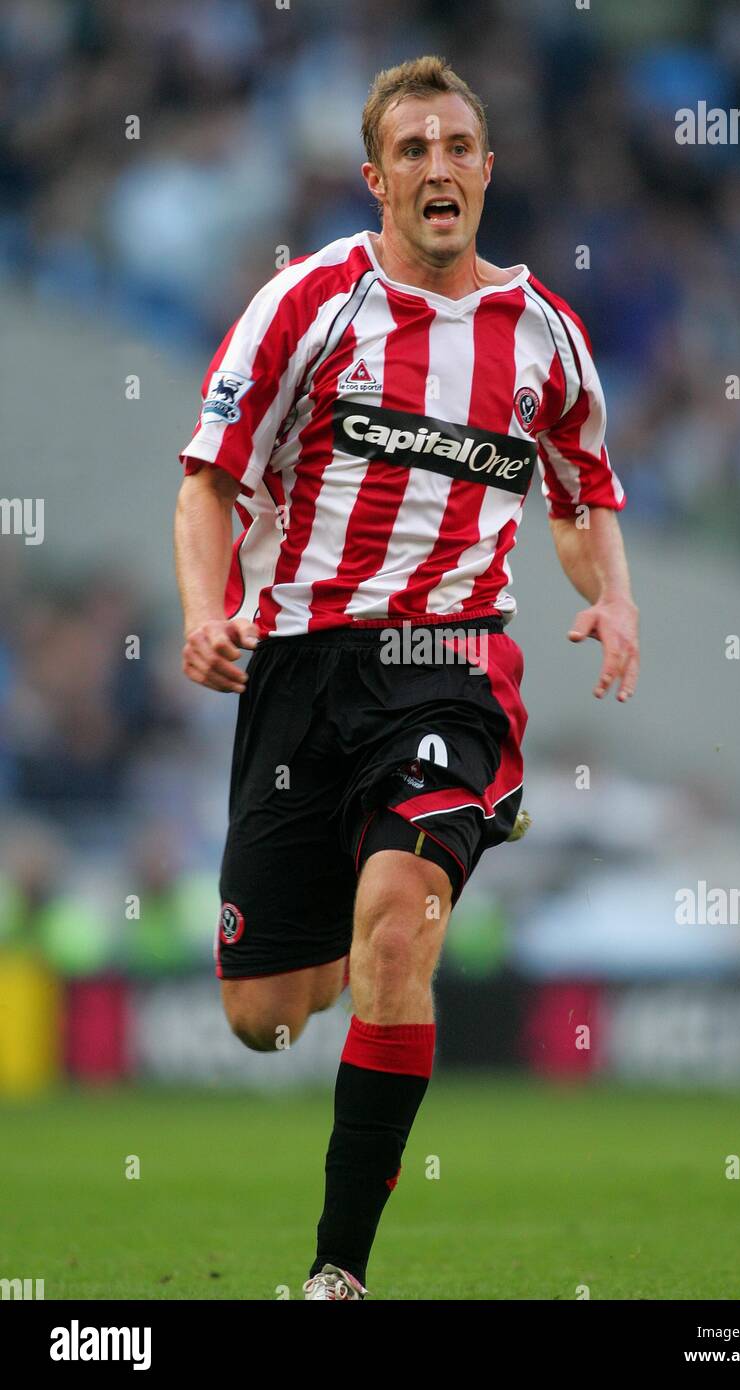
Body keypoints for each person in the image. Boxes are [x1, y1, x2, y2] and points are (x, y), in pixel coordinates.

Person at [174, 55, 639, 1301]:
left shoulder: (544, 334)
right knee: (266, 1016)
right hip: (300, 670)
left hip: (451, 664)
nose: (439, 165)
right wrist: (204, 613)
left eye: (458, 145)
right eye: (413, 149)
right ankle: (366, 873)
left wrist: (611, 594)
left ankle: (338, 1271)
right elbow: (208, 478)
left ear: (486, 169)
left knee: (395, 931)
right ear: (375, 179)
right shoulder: (306, 303)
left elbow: (578, 490)